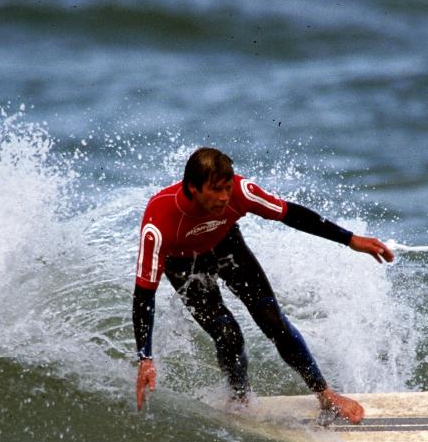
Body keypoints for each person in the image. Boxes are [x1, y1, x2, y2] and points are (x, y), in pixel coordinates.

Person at [132, 147, 394, 423]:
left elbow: (291, 214)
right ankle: (240, 397)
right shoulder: (158, 223)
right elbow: (143, 296)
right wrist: (145, 358)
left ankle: (326, 395)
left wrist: (350, 239)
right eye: (216, 190)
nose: (224, 197)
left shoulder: (241, 192)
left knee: (274, 321)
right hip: (184, 265)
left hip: (225, 246)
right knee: (228, 334)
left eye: (227, 187)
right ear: (193, 188)